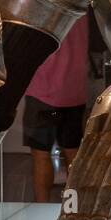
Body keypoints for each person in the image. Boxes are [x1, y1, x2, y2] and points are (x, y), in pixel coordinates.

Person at [22, 15, 89, 202]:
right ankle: (72, 211)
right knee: (73, 155)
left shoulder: (40, 3)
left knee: (41, 156)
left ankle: (41, 208)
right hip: (75, 89)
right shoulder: (83, 6)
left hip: (42, 91)